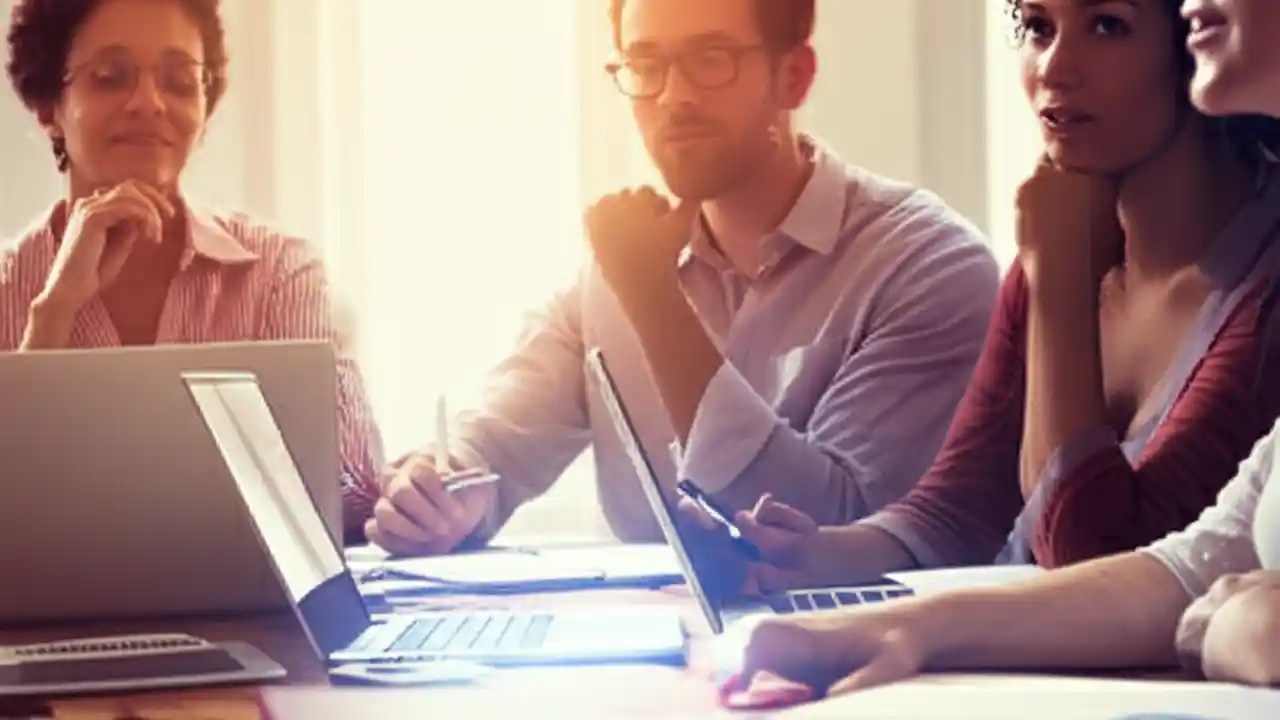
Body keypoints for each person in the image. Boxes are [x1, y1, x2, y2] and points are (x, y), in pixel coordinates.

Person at [736, 0, 1280, 696]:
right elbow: (962, 506)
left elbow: (1088, 553)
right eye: (1037, 27)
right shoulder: (1059, 235)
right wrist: (811, 557)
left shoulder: (1253, 287)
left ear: (1188, 40)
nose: (1055, 67)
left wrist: (1056, 281)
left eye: (1107, 26)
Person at [363, 0, 999, 556]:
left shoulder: (927, 266)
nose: (673, 97)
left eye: (710, 59)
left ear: (794, 76)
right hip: (657, 645)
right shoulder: (616, 270)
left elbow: (829, 532)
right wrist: (443, 492)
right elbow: (495, 441)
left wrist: (652, 299)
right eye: (645, 64)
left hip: (844, 650)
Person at [0, 0, 385, 541]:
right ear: (47, 105)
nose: (149, 102)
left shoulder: (279, 273)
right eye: (111, 77)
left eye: (180, 82)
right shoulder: (9, 286)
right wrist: (54, 313)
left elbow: (356, 490)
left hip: (248, 595)